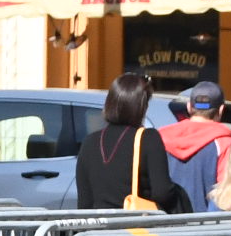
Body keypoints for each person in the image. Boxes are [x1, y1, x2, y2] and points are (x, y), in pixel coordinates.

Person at [75, 72, 188, 213]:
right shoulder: (148, 138)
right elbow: (162, 192)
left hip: (99, 232)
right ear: (141, 107)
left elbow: (84, 203)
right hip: (136, 229)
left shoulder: (89, 142)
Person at [159, 79, 231, 205]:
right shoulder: (224, 143)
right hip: (206, 222)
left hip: (166, 220)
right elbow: (226, 192)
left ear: (189, 107)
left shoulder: (160, 137)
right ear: (221, 110)